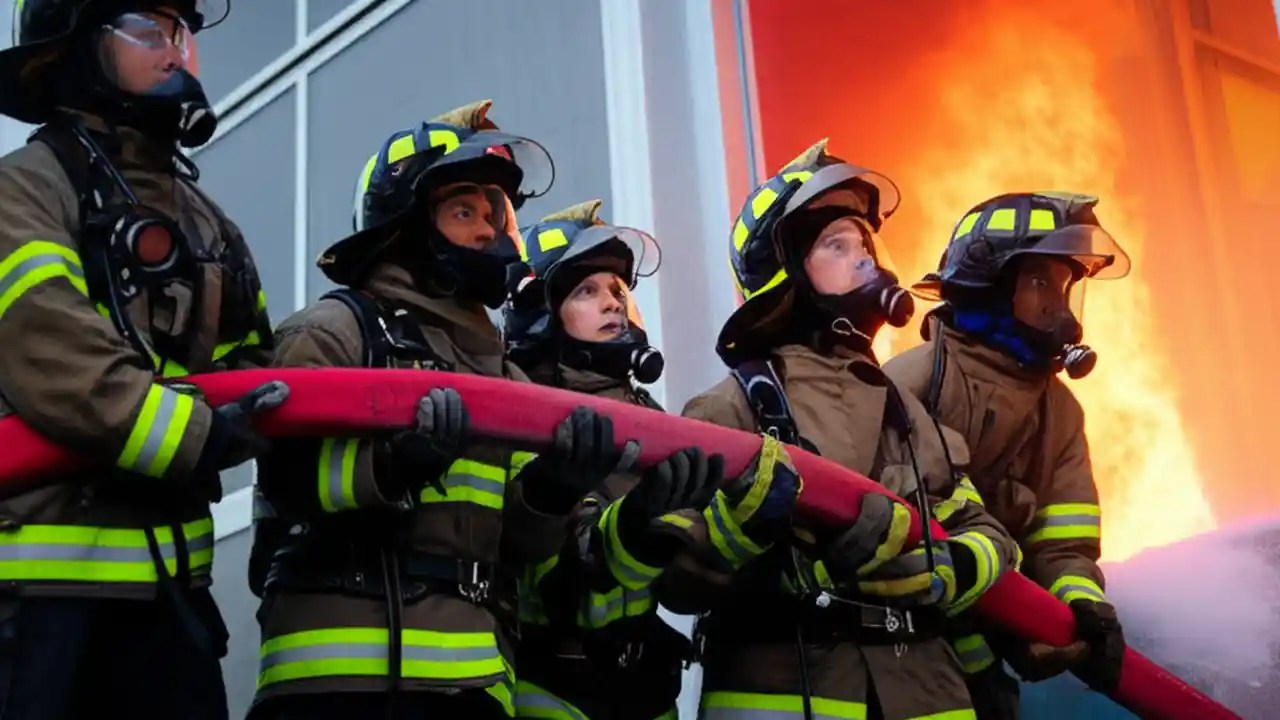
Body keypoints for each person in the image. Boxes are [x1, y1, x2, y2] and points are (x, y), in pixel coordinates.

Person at [248, 100, 633, 720]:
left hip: (473, 684)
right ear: (405, 225)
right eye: (463, 211)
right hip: (344, 680)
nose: (487, 230)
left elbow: (517, 547)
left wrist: (552, 491)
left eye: (493, 213)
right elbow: (285, 485)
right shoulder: (334, 331)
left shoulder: (501, 372)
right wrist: (393, 467)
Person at [659, 140, 1020, 720]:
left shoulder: (903, 407)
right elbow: (673, 579)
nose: (865, 261)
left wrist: (954, 567)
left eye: (865, 244)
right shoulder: (732, 408)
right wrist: (756, 539)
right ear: (786, 275)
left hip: (923, 694)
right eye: (837, 244)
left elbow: (983, 528)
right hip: (789, 691)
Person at [0, 2, 284, 718]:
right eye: (152, 31)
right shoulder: (21, 189)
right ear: (77, 48)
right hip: (36, 609)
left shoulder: (205, 222)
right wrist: (197, 435)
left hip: (171, 605)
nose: (178, 53)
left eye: (183, 35)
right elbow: (48, 344)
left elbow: (249, 369)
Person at [884, 192, 1131, 717]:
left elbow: (1063, 545)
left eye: (1064, 287)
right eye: (1041, 282)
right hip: (904, 652)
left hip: (985, 659)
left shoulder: (1058, 410)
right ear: (989, 285)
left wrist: (1083, 604)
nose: (1059, 307)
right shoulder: (914, 382)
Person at [503, 200, 719, 719]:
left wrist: (740, 528)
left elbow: (681, 585)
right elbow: (540, 575)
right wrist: (638, 526)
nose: (613, 304)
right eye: (586, 291)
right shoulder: (519, 410)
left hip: (644, 692)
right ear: (542, 313)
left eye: (618, 290)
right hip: (554, 693)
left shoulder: (646, 414)